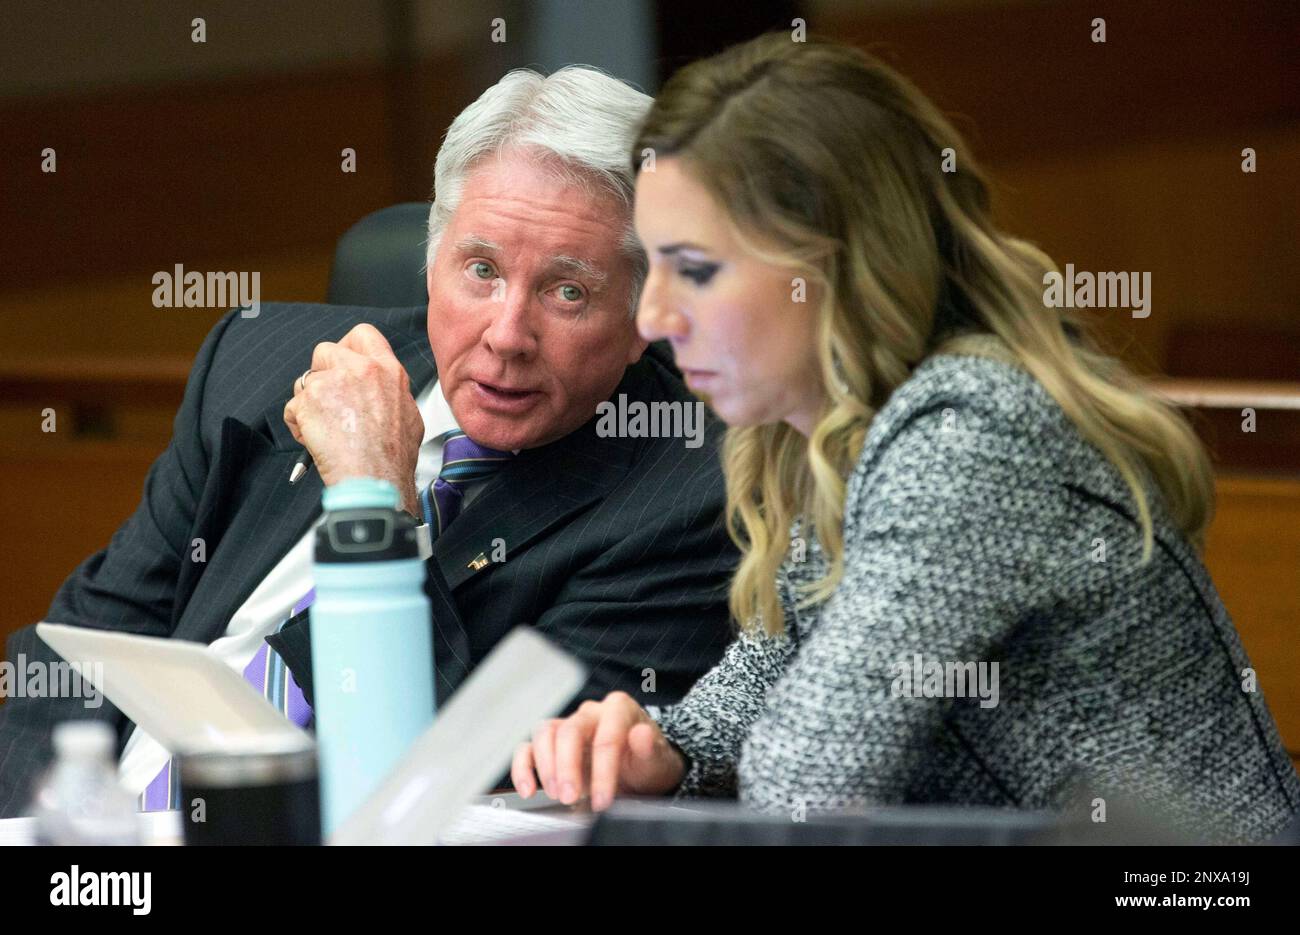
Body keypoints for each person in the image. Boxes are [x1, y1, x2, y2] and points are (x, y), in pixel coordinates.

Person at [511, 34, 1300, 843]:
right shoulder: (831, 436)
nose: (652, 317)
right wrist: (659, 748)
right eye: (655, 268)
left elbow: (805, 782)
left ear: (842, 264)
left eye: (698, 270)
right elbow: (738, 713)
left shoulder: (970, 436)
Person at [0, 66, 737, 817]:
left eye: (567, 291)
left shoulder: (688, 501)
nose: (508, 334)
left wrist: (376, 509)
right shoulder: (259, 364)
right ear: (431, 260)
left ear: (649, 309)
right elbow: (77, 646)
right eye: (480, 270)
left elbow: (490, 785)